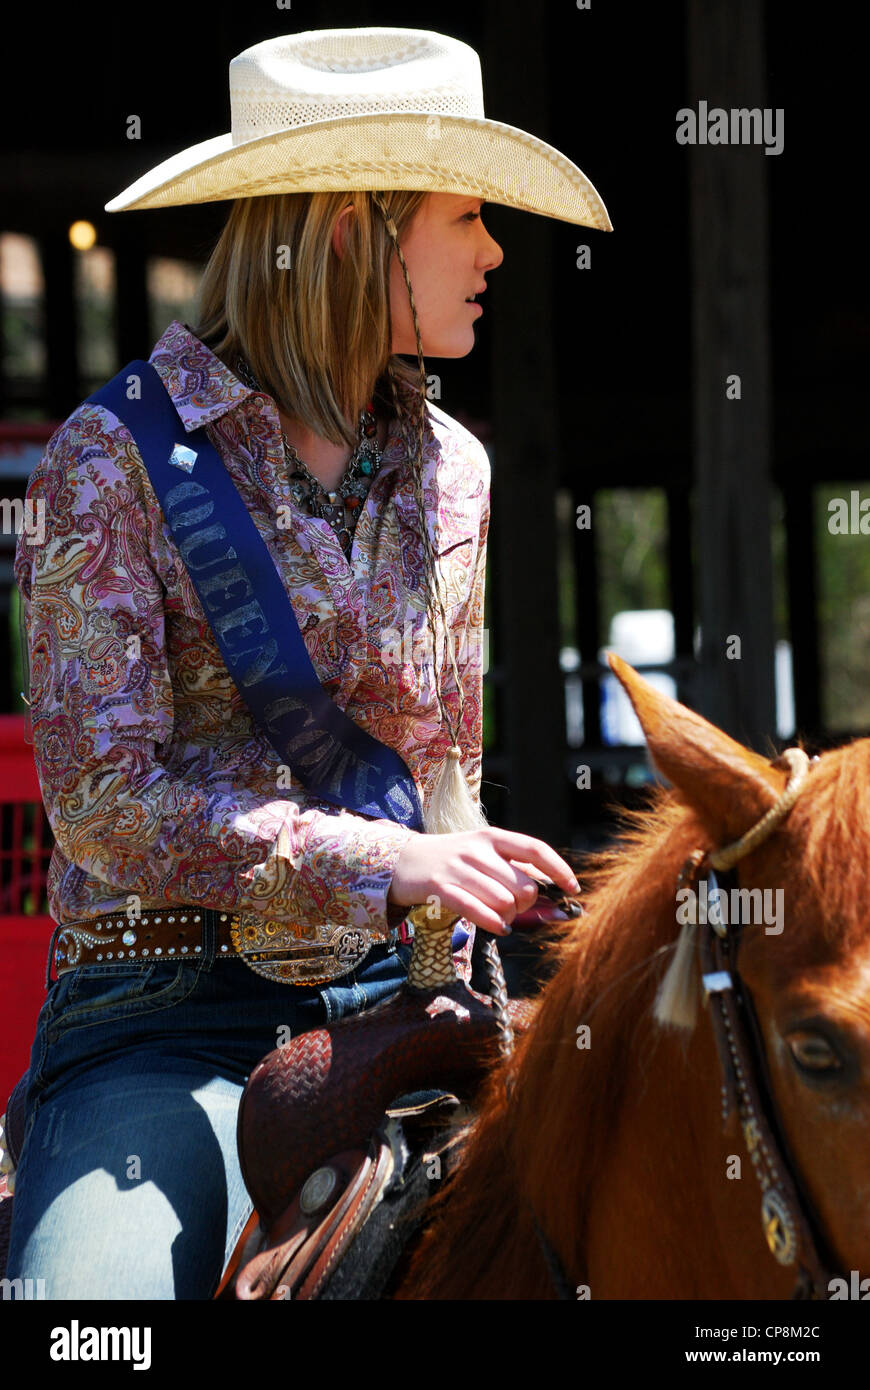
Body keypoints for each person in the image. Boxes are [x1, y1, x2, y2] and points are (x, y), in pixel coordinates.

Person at [3, 25, 611, 1299]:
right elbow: (103, 813)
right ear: (352, 227)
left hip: (409, 1001)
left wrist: (466, 936)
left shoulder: (460, 472)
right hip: (163, 1017)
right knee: (88, 1318)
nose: (496, 250)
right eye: (465, 216)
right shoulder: (106, 464)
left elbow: (445, 776)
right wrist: (387, 856)